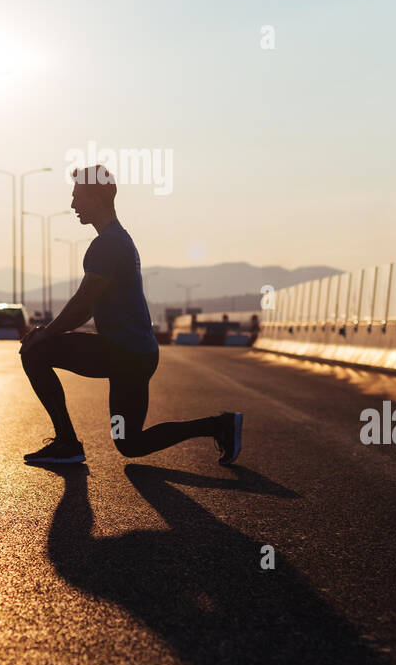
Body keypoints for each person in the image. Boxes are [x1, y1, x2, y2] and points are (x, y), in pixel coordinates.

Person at [19, 165, 242, 467]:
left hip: (121, 353)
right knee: (130, 443)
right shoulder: (119, 239)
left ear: (96, 198)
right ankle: (218, 426)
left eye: (77, 197)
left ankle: (67, 443)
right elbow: (85, 305)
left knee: (35, 352)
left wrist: (44, 333)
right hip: (137, 355)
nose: (72, 205)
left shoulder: (107, 245)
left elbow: (83, 305)